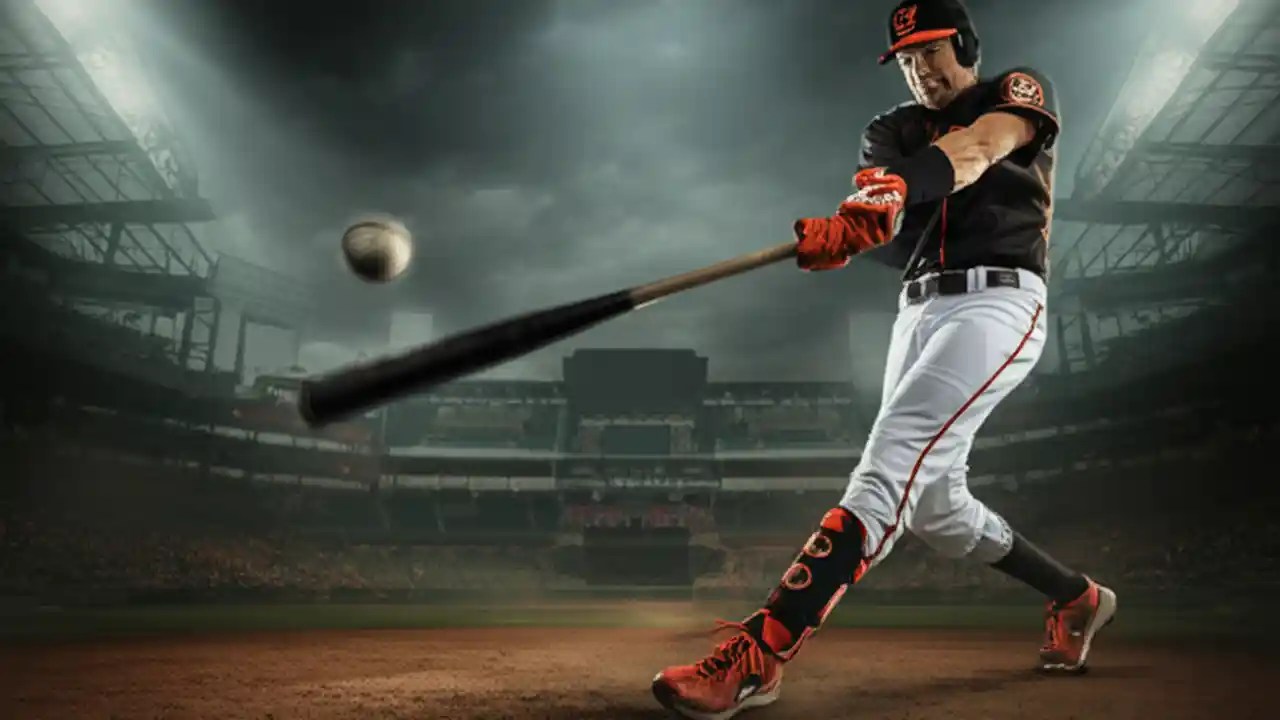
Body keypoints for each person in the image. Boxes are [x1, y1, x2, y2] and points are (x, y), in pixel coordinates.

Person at [651, 1, 1117, 717]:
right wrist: (848, 232)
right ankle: (1076, 596)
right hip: (919, 310)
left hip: (999, 304)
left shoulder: (1016, 91)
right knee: (937, 507)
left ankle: (762, 653)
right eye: (905, 59)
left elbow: (977, 151)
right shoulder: (890, 130)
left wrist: (896, 187)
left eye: (932, 51)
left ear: (965, 44)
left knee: (886, 466)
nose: (919, 68)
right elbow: (891, 219)